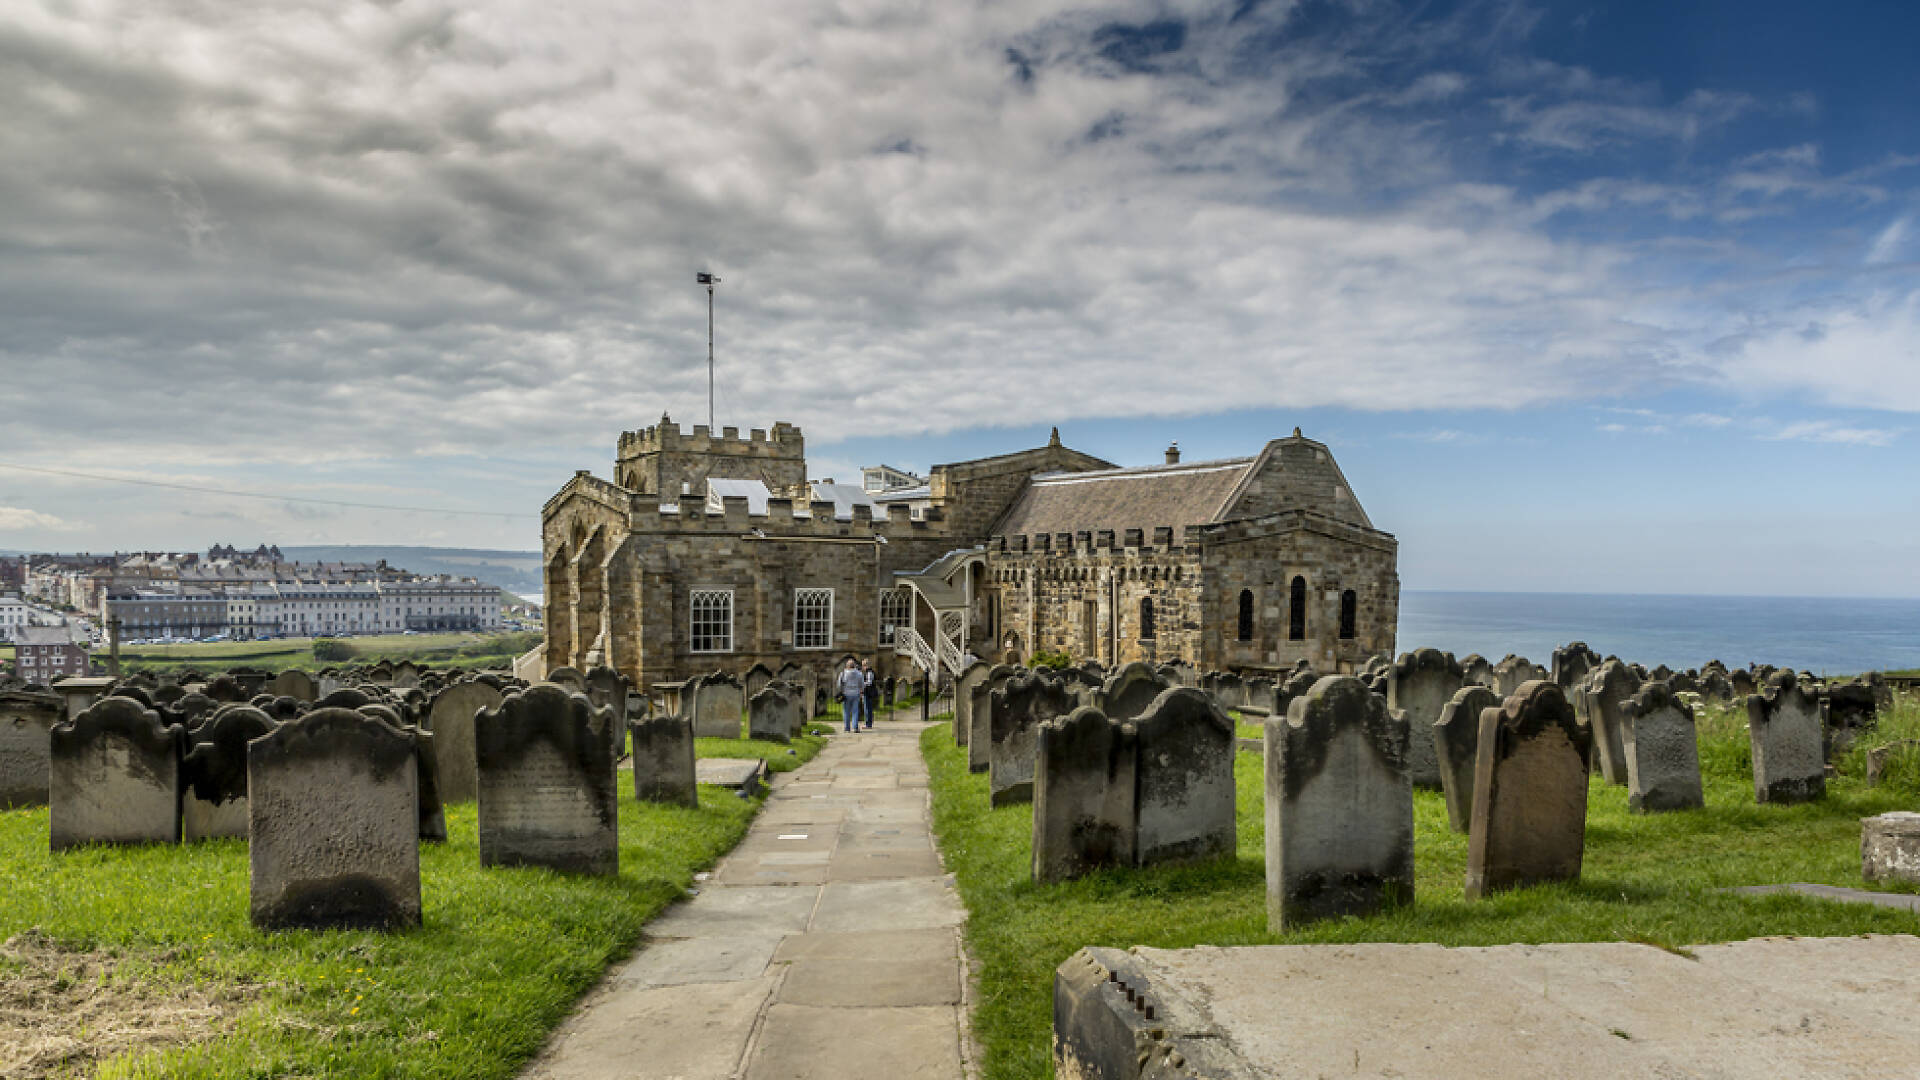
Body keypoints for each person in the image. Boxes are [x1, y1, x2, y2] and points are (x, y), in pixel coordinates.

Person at [837, 657, 866, 733]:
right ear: (854, 665)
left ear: (847, 666)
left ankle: (847, 728)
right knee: (855, 711)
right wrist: (861, 691)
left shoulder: (843, 673)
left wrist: (841, 691)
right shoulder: (859, 674)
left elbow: (839, 684)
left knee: (846, 711)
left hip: (846, 693)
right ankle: (855, 727)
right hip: (856, 693)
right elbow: (862, 684)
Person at [861, 659, 879, 729]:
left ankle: (868, 724)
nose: (862, 667)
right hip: (868, 692)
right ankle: (869, 723)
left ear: (866, 665)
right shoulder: (868, 672)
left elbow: (869, 682)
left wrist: (862, 684)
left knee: (867, 708)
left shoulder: (869, 672)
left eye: (863, 665)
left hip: (869, 692)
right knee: (868, 708)